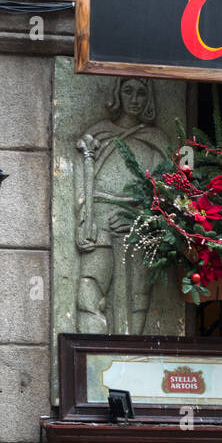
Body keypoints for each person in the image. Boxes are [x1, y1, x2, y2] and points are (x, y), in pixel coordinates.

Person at [74, 77, 166, 333]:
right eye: (128, 91)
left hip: (138, 224)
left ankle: (133, 354)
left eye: (141, 92)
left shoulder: (156, 139)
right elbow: (82, 182)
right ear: (117, 94)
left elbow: (165, 194)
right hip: (99, 218)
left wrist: (139, 219)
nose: (134, 99)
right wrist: (84, 220)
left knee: (139, 294)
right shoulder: (98, 134)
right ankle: (92, 360)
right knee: (90, 286)